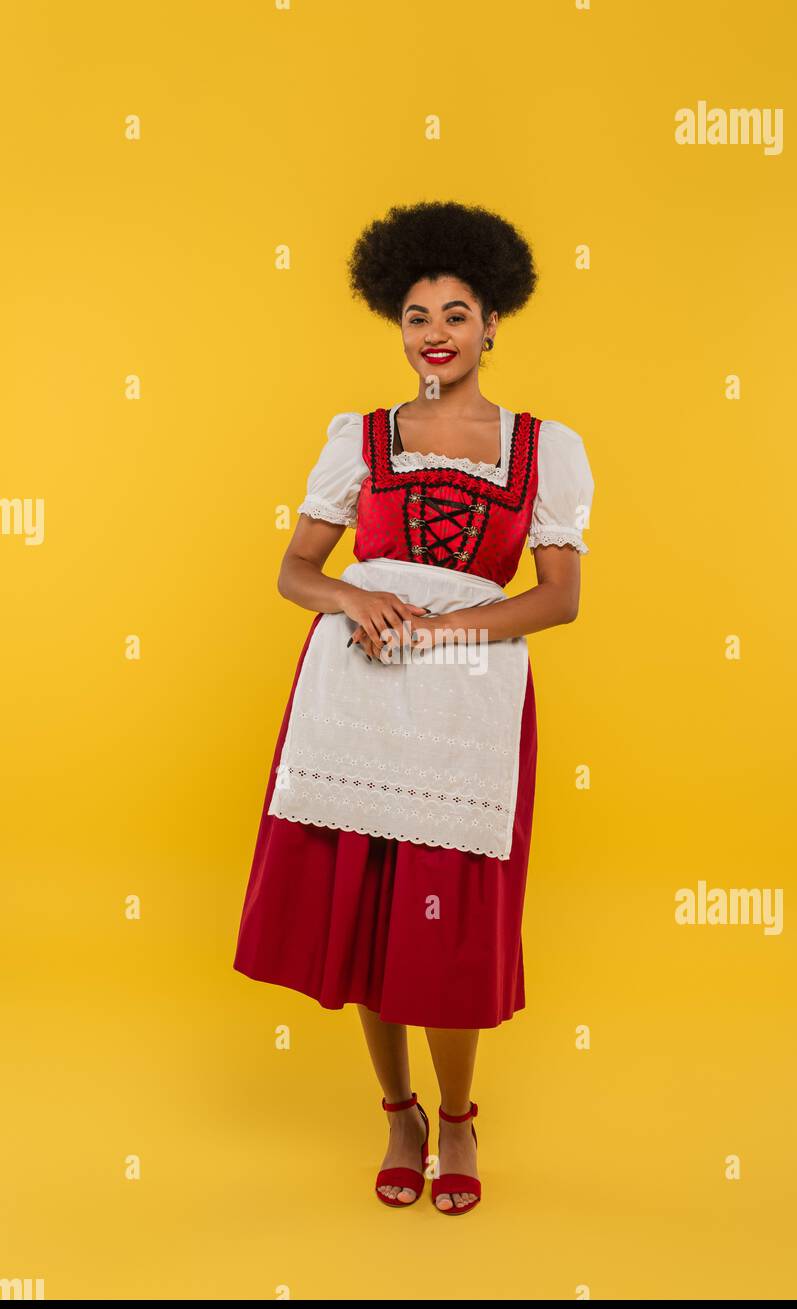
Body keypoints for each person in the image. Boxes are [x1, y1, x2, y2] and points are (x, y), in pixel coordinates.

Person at [233, 200, 595, 1215]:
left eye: (454, 313)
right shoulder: (359, 438)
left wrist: (439, 631)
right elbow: (295, 569)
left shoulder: (540, 448)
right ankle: (397, 1109)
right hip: (357, 688)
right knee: (370, 898)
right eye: (415, 316)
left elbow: (558, 599)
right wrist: (354, 593)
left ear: (492, 326)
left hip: (472, 697)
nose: (433, 332)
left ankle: (460, 1115)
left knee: (449, 913)